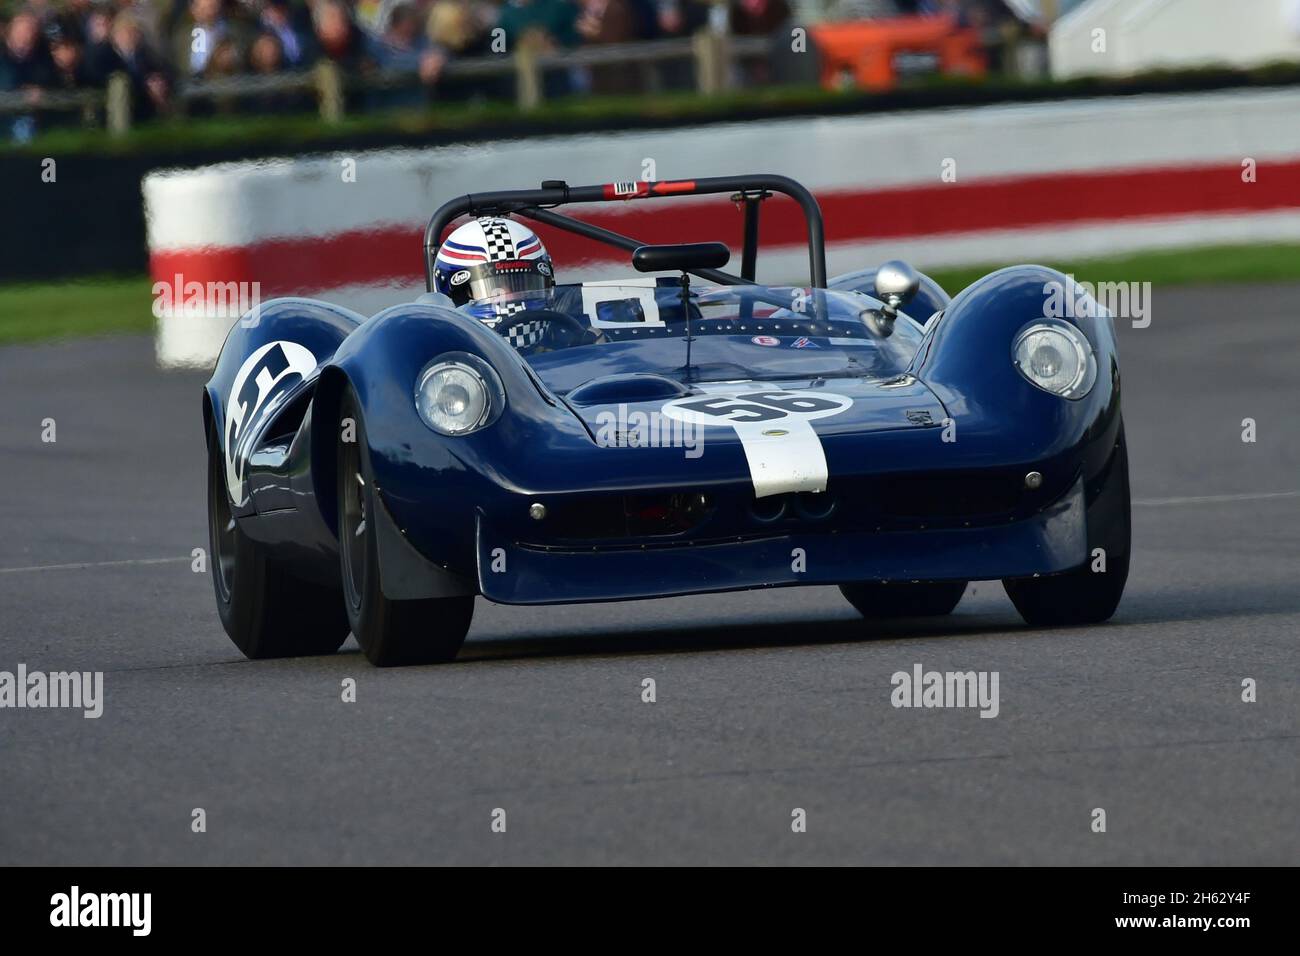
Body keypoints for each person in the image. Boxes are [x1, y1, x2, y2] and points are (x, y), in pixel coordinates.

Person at [432, 218, 557, 344]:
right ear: (455, 296)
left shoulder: (567, 340)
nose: (510, 298)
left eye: (521, 285)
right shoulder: (446, 360)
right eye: (495, 291)